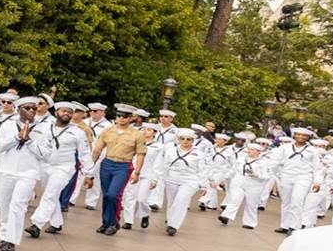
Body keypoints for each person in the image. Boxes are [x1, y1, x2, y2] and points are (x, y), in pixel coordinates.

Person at [26, 101, 91, 239]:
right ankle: (57, 222)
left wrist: (89, 174)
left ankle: (36, 225)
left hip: (64, 168)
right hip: (46, 165)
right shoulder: (45, 127)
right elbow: (37, 146)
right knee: (50, 195)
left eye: (69, 112)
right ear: (56, 112)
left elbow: (85, 154)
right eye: (63, 111)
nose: (66, 114)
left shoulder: (78, 132)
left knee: (50, 194)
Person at [0, 100, 45, 251]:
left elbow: (46, 153)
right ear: (18, 109)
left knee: (18, 205)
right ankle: (4, 236)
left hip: (28, 173)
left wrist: (29, 142)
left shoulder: (43, 128)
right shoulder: (8, 125)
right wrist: (16, 137)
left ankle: (11, 241)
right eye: (27, 108)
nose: (31, 111)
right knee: (6, 205)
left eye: (34, 108)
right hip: (7, 170)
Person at [91, 103, 146, 235]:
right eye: (119, 116)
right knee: (106, 196)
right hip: (107, 163)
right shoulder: (108, 130)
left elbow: (141, 154)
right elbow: (97, 149)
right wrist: (90, 168)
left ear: (130, 119)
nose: (121, 118)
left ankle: (114, 223)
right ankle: (106, 223)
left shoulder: (137, 134)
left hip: (123, 166)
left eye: (125, 116)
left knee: (113, 194)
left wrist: (136, 172)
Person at [156, 128, 209, 236]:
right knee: (172, 202)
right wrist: (160, 179)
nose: (185, 141)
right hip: (172, 179)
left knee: (181, 200)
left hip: (190, 180)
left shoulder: (199, 153)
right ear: (178, 139)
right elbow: (165, 166)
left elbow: (203, 170)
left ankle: (173, 226)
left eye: (188, 139)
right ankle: (170, 220)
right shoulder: (171, 151)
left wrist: (203, 185)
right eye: (182, 138)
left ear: (193, 140)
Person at [223, 140, 276, 229]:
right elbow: (233, 170)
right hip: (239, 181)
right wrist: (225, 177)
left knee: (251, 204)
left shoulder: (264, 162)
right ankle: (226, 216)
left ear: (258, 152)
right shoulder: (241, 159)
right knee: (234, 199)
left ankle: (249, 223)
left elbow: (267, 176)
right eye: (249, 149)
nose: (249, 151)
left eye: (252, 150)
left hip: (254, 185)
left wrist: (257, 175)